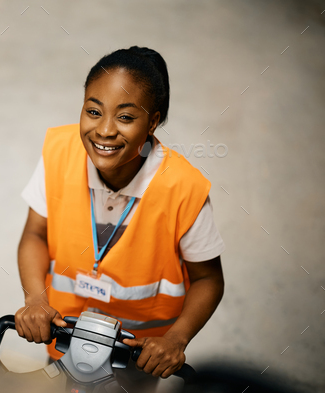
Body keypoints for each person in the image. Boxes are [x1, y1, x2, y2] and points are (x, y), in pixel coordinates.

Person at [14, 46, 225, 387]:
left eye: (125, 117)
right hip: (64, 338)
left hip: (136, 359)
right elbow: (35, 234)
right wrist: (36, 299)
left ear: (152, 122)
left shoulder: (184, 189)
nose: (105, 131)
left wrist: (176, 340)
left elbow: (209, 280)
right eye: (93, 111)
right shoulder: (60, 151)